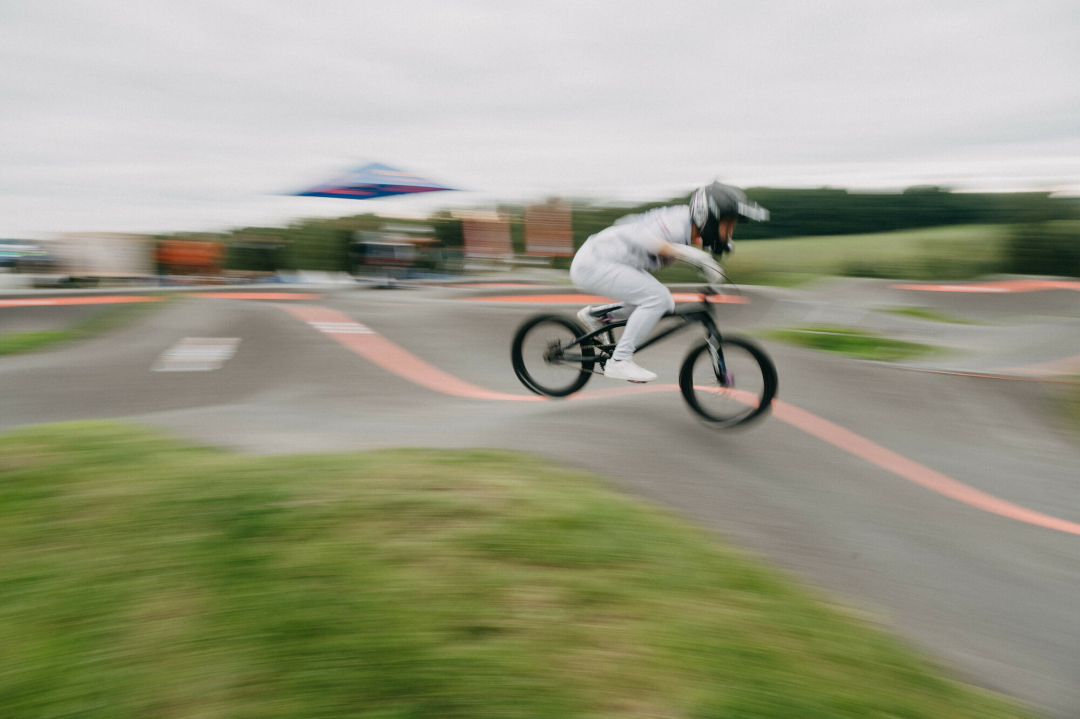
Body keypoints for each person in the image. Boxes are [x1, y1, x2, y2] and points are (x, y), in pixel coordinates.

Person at [570, 182, 769, 383]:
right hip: (593, 263)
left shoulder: (691, 228)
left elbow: (702, 246)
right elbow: (640, 235)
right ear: (709, 217)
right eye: (728, 224)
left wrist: (709, 264)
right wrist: (691, 256)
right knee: (656, 297)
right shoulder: (676, 222)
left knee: (664, 302)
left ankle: (597, 316)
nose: (729, 232)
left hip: (606, 262)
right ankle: (619, 361)